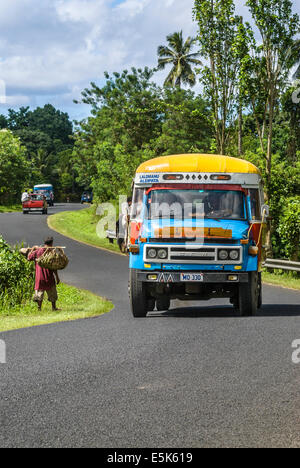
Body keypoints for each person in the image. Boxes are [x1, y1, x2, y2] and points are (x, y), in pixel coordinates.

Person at [27, 236, 60, 311]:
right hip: (49, 276)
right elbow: (54, 267)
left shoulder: (38, 251)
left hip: (39, 277)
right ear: (51, 243)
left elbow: (29, 258)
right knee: (52, 292)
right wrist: (57, 277)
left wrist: (32, 249)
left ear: (44, 243)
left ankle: (39, 308)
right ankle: (54, 307)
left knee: (39, 293)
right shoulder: (52, 252)